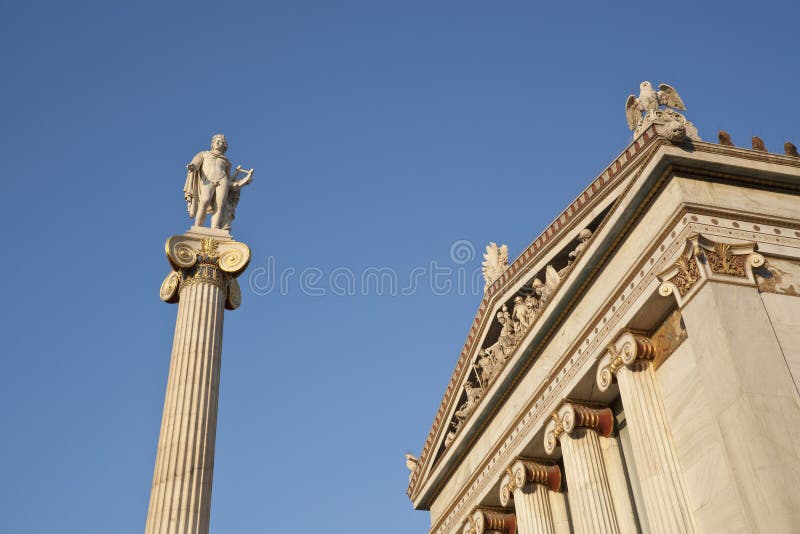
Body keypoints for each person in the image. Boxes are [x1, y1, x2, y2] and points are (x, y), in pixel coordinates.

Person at [184, 134, 253, 229]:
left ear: (224, 146)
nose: (218, 142)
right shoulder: (204, 154)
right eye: (216, 141)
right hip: (208, 180)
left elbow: (228, 178)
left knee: (220, 205)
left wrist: (243, 181)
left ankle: (215, 228)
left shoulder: (226, 161)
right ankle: (198, 227)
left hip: (222, 180)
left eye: (221, 141)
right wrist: (192, 167)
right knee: (205, 201)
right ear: (212, 144)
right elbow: (195, 164)